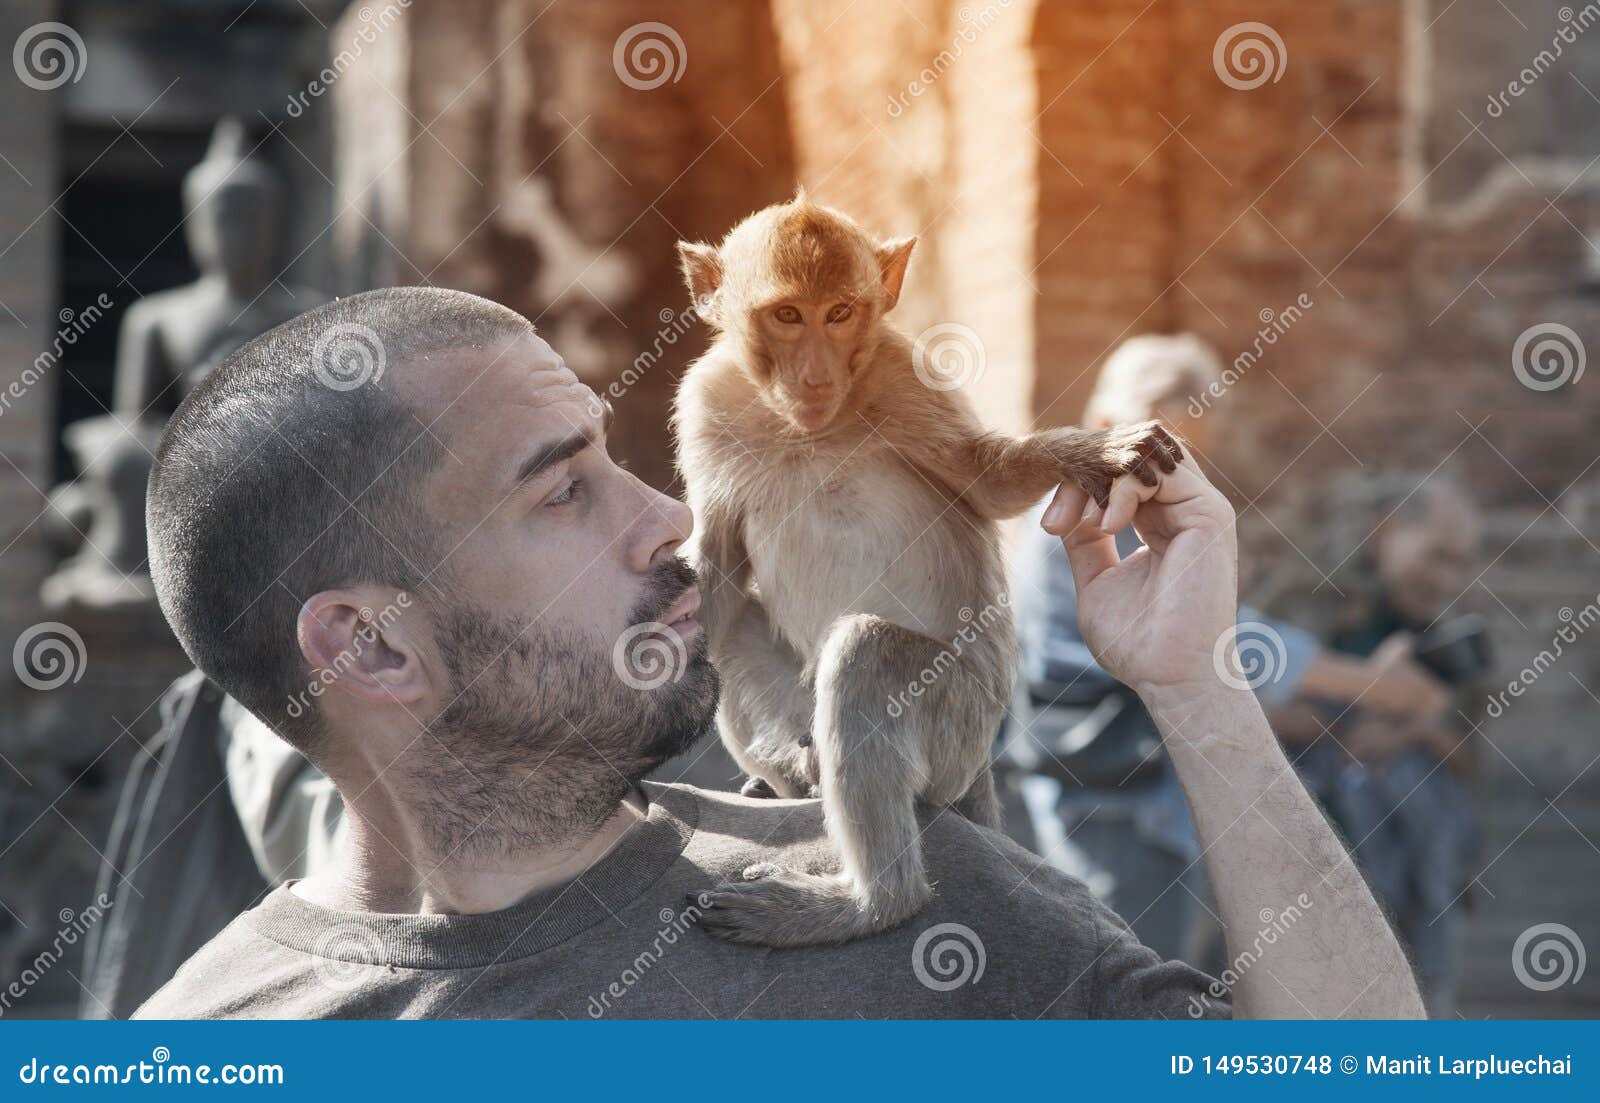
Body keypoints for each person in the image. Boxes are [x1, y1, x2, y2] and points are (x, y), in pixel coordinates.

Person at [132, 287, 1421, 1018]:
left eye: (618, 460)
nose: (670, 522)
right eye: (562, 494)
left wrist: (1197, 689)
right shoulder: (211, 1036)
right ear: (366, 646)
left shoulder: (919, 910)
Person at [1007, 336, 1457, 965]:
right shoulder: (1084, 521)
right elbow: (1215, 638)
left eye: (1189, 457)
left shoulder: (1119, 513)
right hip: (1108, 807)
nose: (1173, 476)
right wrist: (1368, 684)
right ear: (1108, 427)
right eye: (1162, 452)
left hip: (1147, 797)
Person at [1255, 474, 1486, 1016]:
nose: (1446, 579)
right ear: (1384, 530)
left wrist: (1413, 728)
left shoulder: (1457, 636)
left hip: (1421, 873)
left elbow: (1470, 758)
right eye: (1435, 556)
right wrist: (1349, 721)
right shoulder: (1308, 602)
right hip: (1305, 864)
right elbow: (1245, 705)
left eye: (1461, 562)